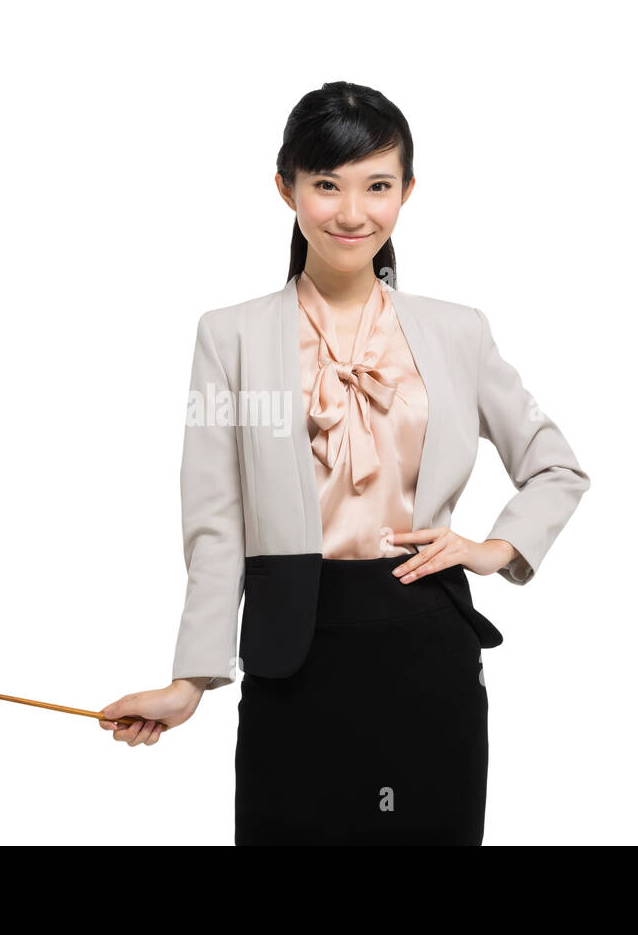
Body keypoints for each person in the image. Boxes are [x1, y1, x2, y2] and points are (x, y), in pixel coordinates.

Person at [100, 81, 590, 845]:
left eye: (378, 186)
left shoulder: (457, 333)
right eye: (327, 184)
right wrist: (191, 679)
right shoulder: (230, 337)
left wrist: (495, 549)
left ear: (408, 192)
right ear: (285, 188)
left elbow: (555, 465)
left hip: (426, 641)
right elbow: (216, 519)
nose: (353, 212)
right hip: (293, 651)